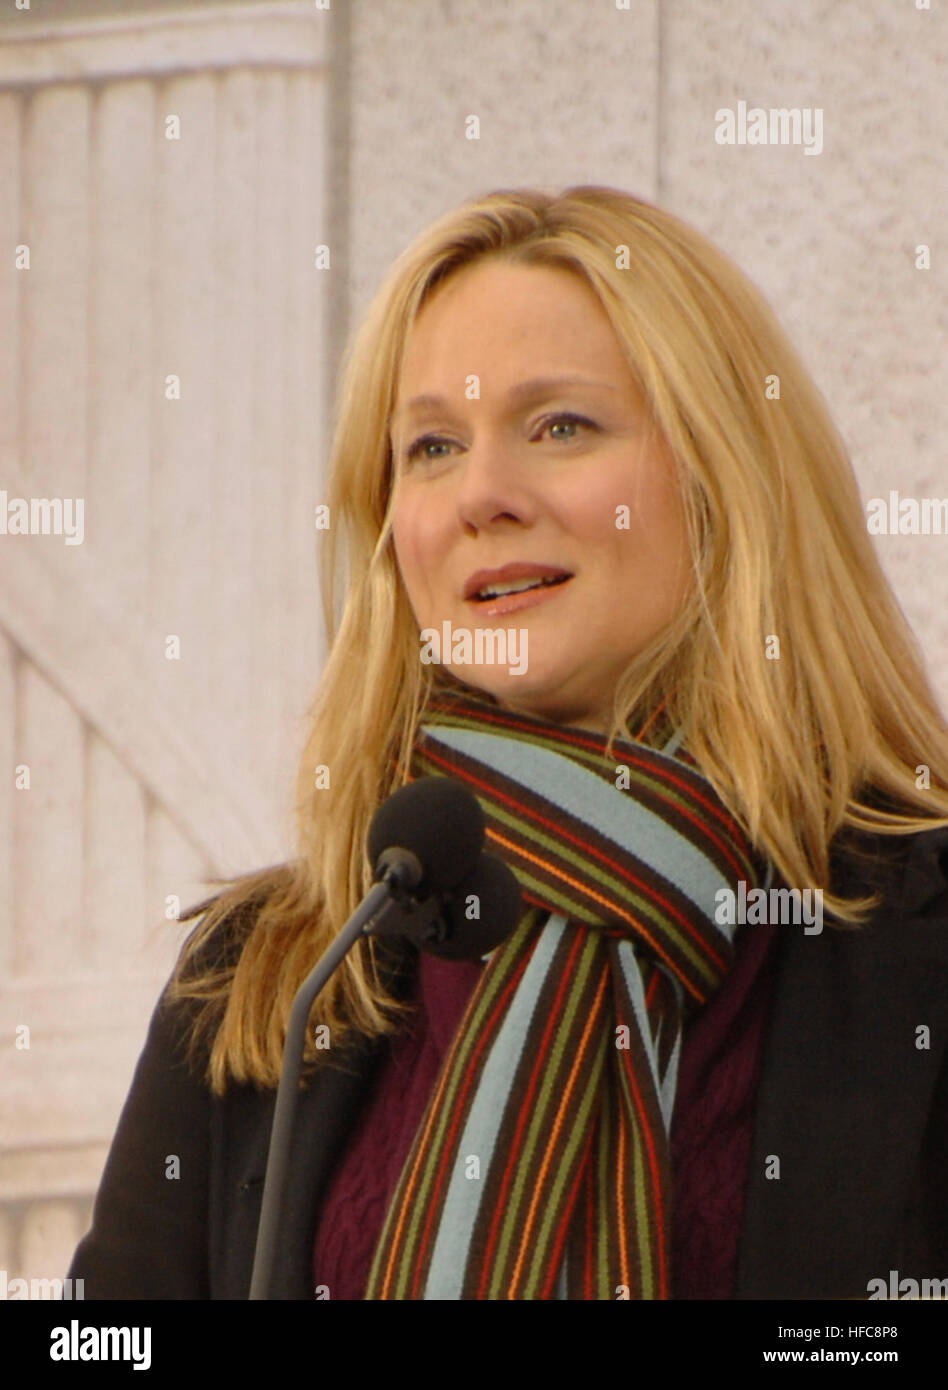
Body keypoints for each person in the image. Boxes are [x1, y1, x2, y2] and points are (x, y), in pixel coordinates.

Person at [68, 185, 948, 1301]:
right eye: (431, 446)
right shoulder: (268, 976)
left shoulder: (917, 939)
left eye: (560, 426)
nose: (482, 493)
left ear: (727, 477)